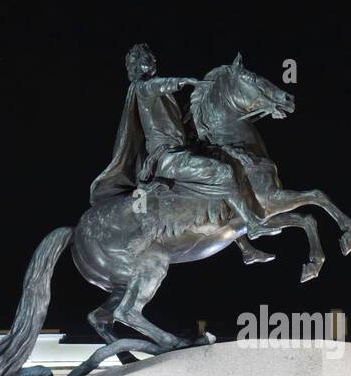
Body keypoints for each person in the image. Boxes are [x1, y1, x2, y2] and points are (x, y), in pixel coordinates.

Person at [90, 43, 275, 262]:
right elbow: (160, 86)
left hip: (179, 150)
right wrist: (185, 81)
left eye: (152, 58)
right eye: (147, 59)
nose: (152, 62)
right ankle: (252, 224)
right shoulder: (142, 87)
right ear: (138, 65)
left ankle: (246, 249)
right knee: (223, 173)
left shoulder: (155, 92)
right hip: (167, 158)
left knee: (222, 164)